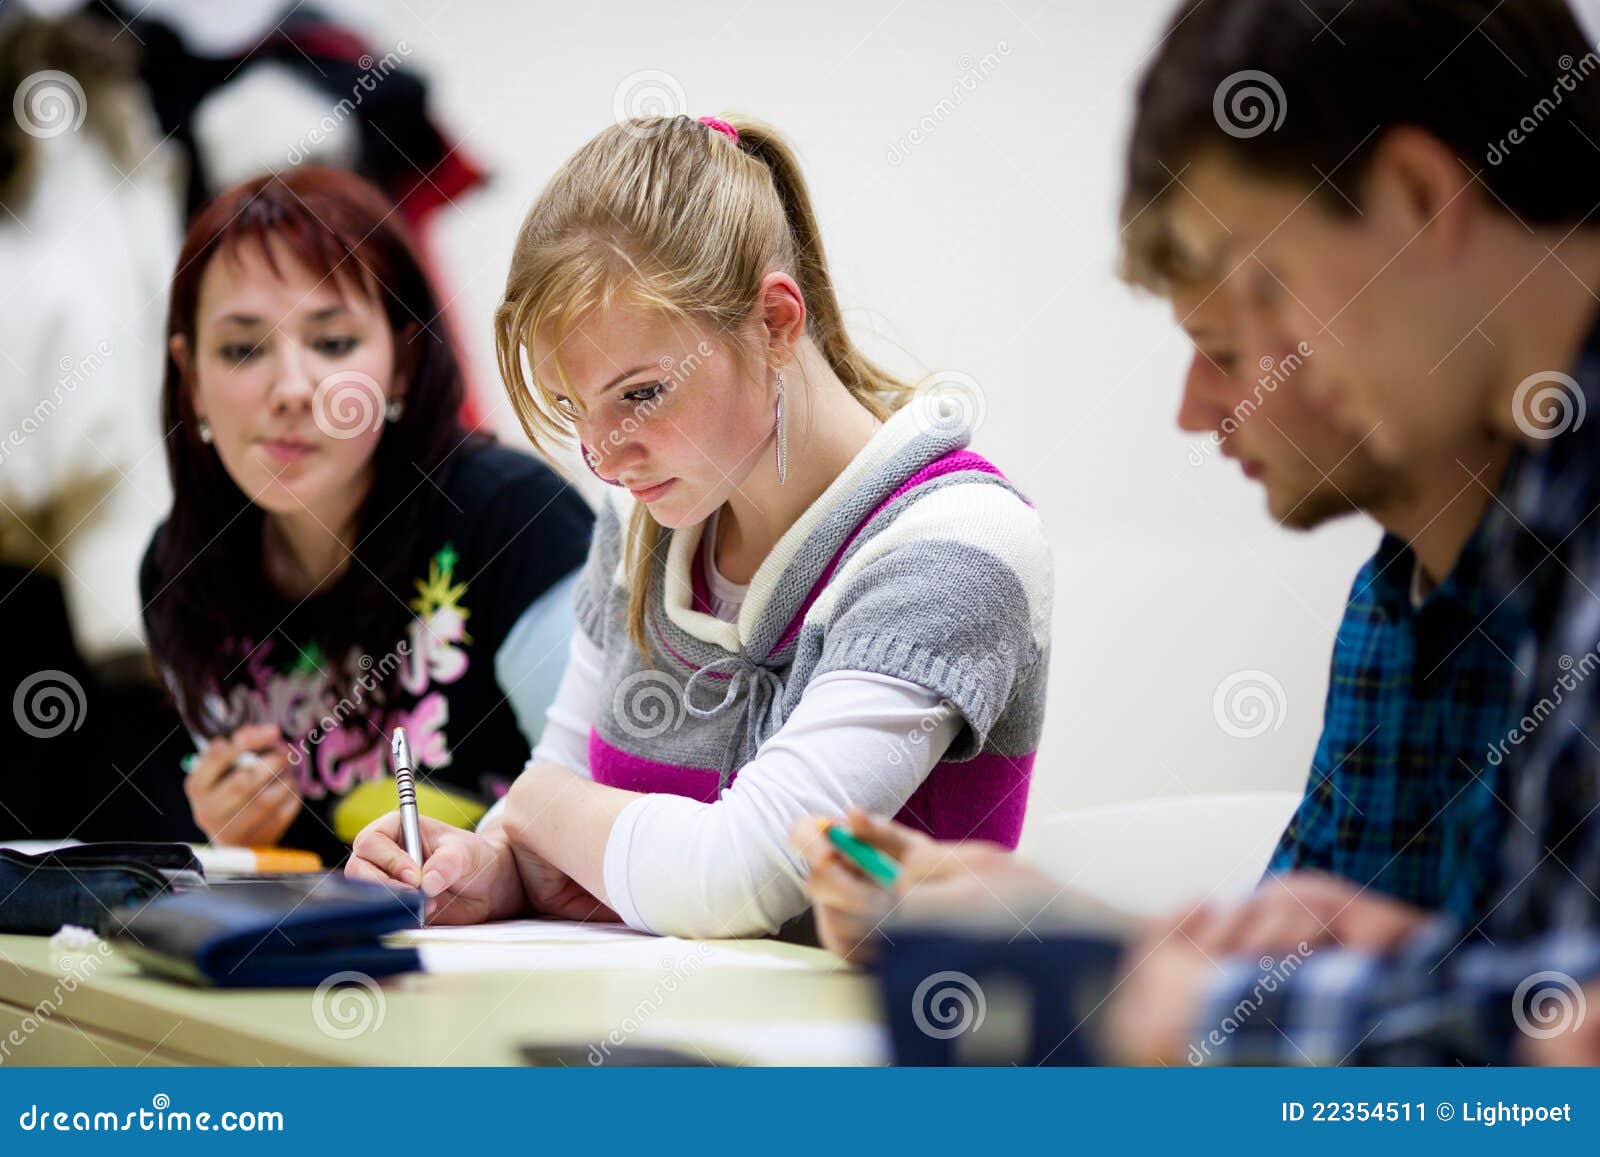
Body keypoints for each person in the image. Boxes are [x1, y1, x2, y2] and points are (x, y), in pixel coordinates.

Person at [346, 114, 1053, 937]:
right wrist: (491, 865)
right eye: (576, 408)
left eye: (642, 393)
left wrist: (532, 811)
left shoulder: (958, 544)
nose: (604, 457)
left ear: (777, 322)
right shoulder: (639, 512)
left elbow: (738, 877)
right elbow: (561, 797)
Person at [790, 205, 1520, 963]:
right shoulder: (1390, 599)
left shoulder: (1550, 603)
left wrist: (1116, 968)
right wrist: (1031, 918)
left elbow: (1507, 1054)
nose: (1188, 412)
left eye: (1227, 353)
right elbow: (1291, 987)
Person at [1108, 0, 1600, 1065]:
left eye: (1269, 289)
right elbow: (1553, 1002)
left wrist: (1164, 1010)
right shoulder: (1546, 511)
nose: (1281, 362)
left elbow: (1569, 1059)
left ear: (1421, 198)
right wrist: (1422, 957)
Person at [142, 167, 592, 864]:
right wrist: (232, 832)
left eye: (332, 342)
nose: (292, 389)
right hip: (314, 962)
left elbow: (608, 798)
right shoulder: (179, 570)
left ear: (403, 363)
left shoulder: (512, 518)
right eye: (242, 349)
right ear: (193, 380)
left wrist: (495, 868)